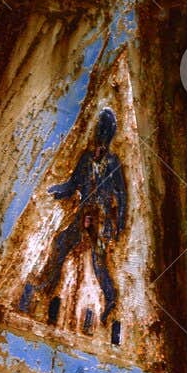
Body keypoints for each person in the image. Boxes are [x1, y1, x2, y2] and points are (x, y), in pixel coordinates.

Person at [18, 107, 127, 343]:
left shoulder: (113, 163)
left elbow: (122, 195)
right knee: (60, 244)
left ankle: (110, 300)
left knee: (99, 265)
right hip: (83, 215)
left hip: (101, 219)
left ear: (107, 136)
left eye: (103, 133)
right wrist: (58, 191)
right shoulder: (87, 158)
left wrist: (118, 224)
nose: (100, 139)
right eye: (99, 133)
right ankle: (41, 289)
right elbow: (73, 183)